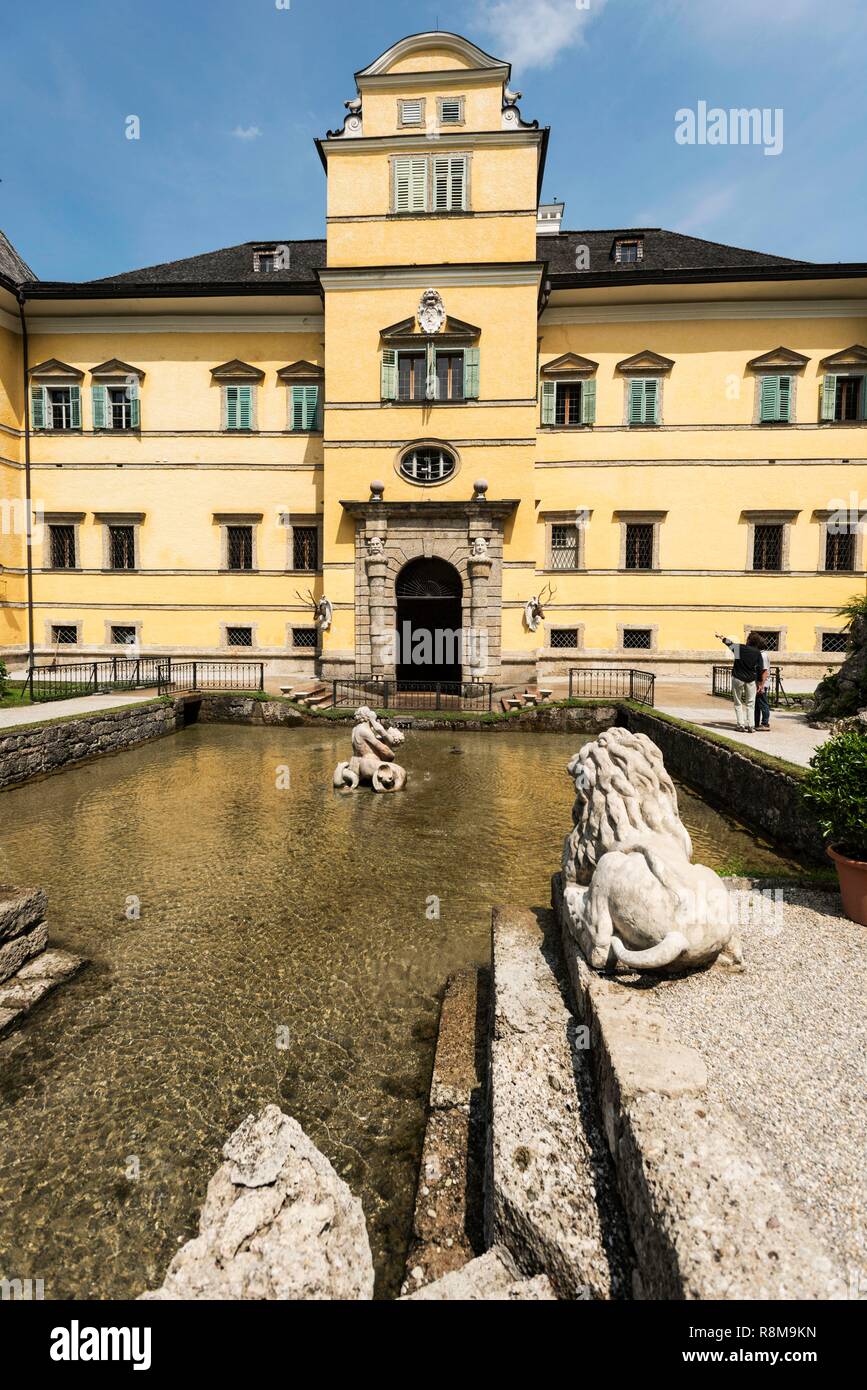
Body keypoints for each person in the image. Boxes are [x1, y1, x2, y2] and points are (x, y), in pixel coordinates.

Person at [715, 632, 765, 733]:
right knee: (751, 703)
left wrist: (721, 637)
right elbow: (760, 669)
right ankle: (751, 725)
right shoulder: (757, 653)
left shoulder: (740, 648)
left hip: (738, 677)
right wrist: (760, 683)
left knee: (738, 702)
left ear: (748, 640)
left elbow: (729, 643)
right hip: (751, 679)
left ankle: (740, 725)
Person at [754, 644, 772, 732]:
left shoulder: (763, 655)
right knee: (757, 704)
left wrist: (761, 685)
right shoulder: (760, 654)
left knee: (763, 703)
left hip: (762, 684)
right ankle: (756, 723)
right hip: (760, 683)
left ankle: (765, 723)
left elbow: (764, 671)